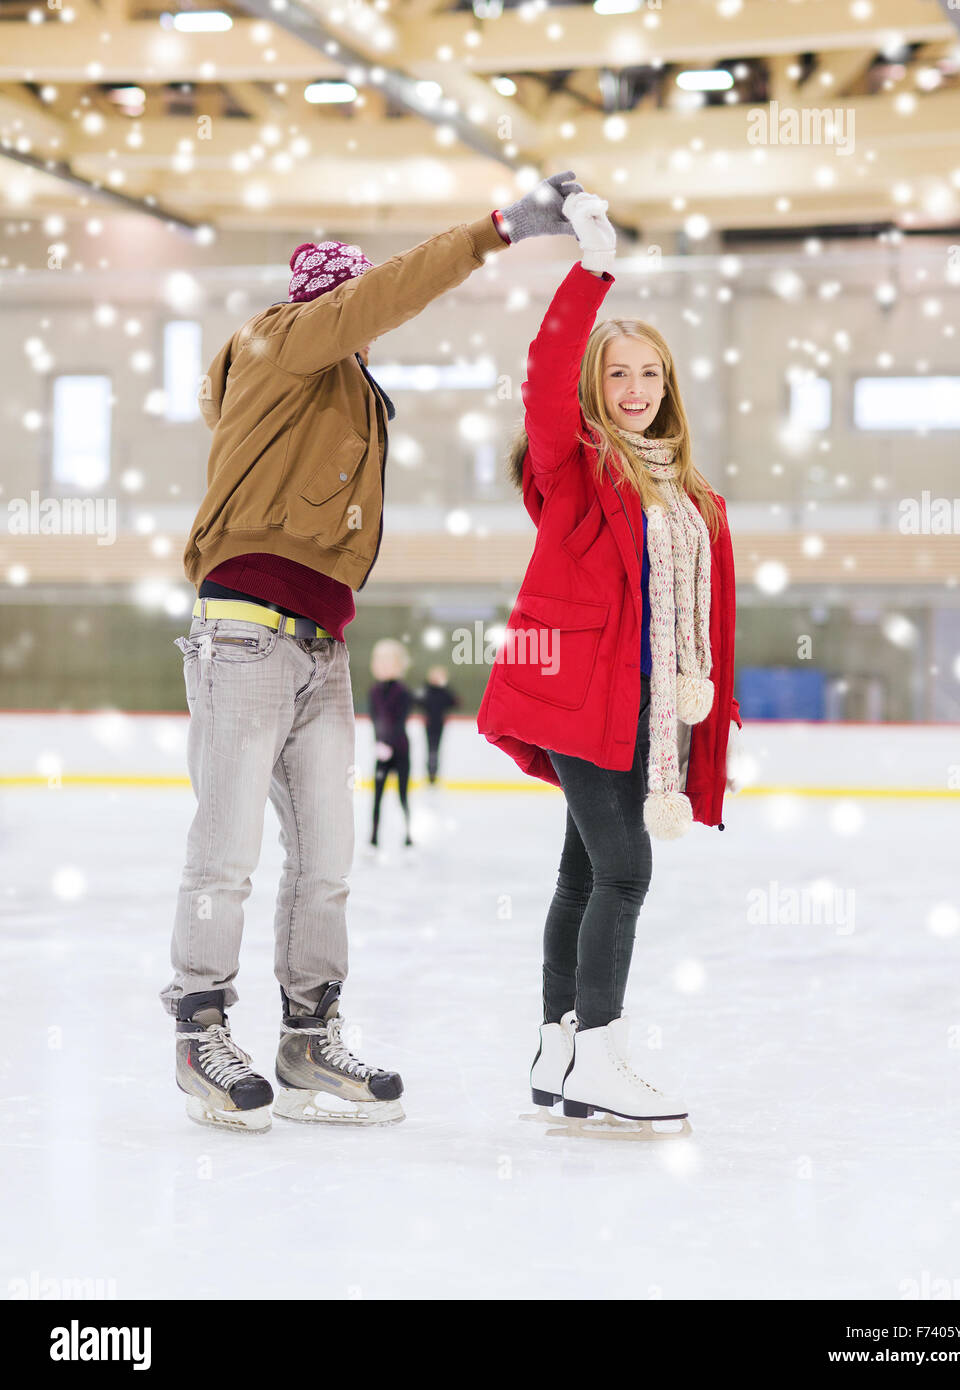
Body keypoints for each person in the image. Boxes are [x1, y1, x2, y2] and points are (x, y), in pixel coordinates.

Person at [162, 172, 587, 1133]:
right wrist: (499, 231)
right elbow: (383, 294)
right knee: (225, 853)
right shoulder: (282, 339)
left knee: (326, 865)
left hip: (320, 648)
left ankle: (308, 1036)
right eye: (349, 304)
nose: (364, 322)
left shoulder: (346, 382)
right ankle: (199, 1029)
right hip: (242, 636)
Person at [477, 191, 742, 1138]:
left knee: (584, 874)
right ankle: (599, 1053)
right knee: (625, 870)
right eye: (617, 374)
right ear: (596, 385)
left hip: (644, 707)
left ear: (668, 384)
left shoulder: (690, 490)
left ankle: (555, 1045)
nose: (635, 389)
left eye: (649, 374)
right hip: (576, 696)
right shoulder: (576, 466)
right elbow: (544, 378)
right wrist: (589, 273)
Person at [368, 639, 414, 848]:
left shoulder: (404, 692)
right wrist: (379, 743)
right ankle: (374, 835)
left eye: (387, 660)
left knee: (402, 794)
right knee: (377, 795)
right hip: (381, 752)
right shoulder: (374, 692)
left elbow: (399, 721)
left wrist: (388, 743)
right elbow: (375, 720)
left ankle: (408, 833)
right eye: (378, 660)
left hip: (400, 750)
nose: (381, 665)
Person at [416, 665, 459, 783]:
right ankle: (430, 774)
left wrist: (445, 686)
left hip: (439, 724)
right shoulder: (426, 690)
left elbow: (455, 701)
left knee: (435, 750)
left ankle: (434, 774)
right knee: (430, 749)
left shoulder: (444, 691)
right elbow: (417, 700)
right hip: (429, 724)